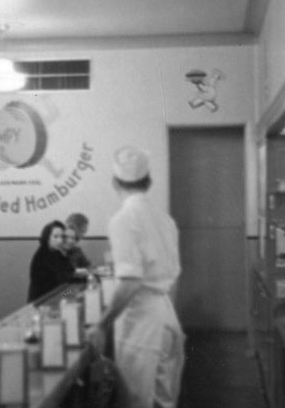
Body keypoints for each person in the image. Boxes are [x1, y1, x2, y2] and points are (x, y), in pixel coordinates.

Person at [88, 145, 185, 408]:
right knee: (164, 397)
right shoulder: (165, 219)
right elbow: (173, 278)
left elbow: (131, 281)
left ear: (114, 182)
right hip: (166, 315)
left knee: (136, 398)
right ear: (149, 182)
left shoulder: (123, 219)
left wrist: (103, 323)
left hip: (140, 322)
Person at [27, 220, 75, 302]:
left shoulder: (56, 253)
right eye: (55, 237)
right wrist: (71, 292)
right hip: (42, 303)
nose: (60, 241)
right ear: (47, 238)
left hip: (54, 298)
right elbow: (58, 286)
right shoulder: (41, 257)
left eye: (62, 237)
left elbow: (70, 272)